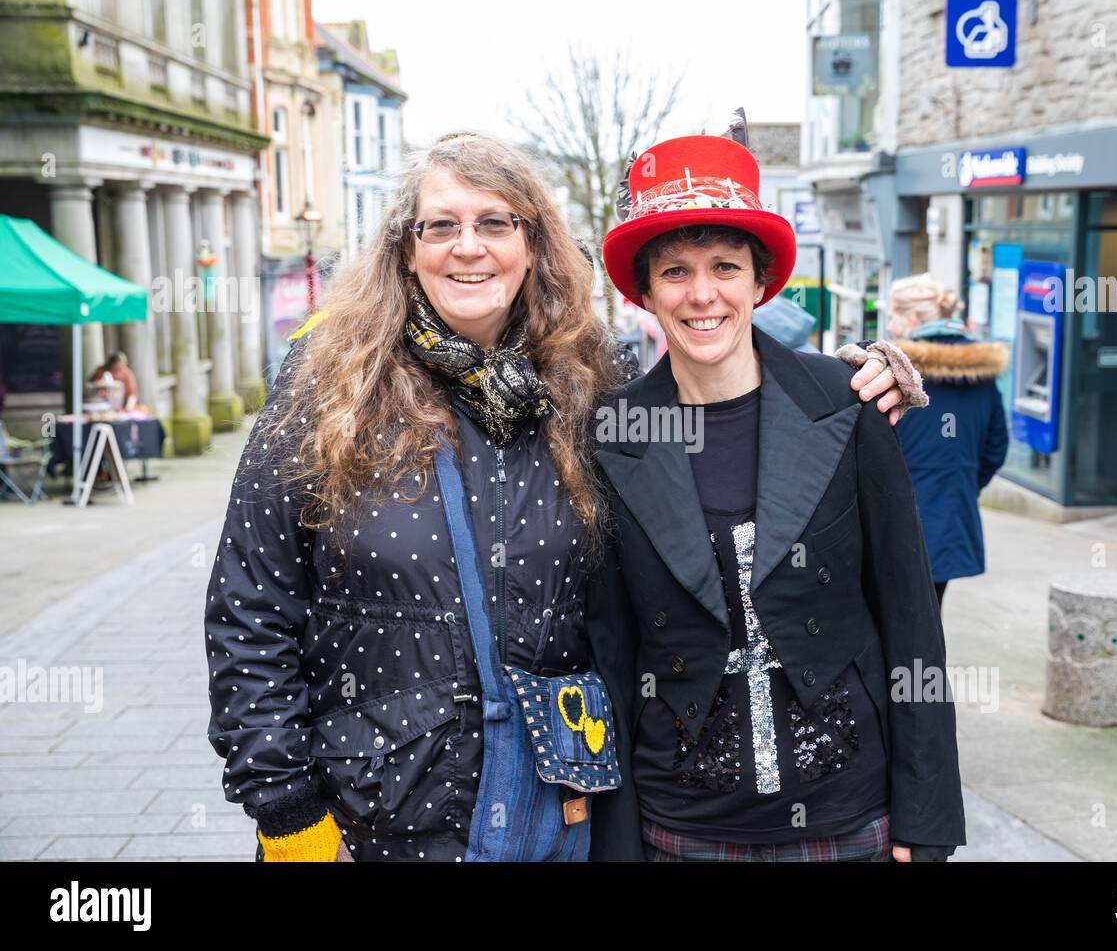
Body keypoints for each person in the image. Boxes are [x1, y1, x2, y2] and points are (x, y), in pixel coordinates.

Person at [202, 130, 922, 862]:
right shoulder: (327, 383)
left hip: (558, 815)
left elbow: (715, 407)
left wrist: (849, 382)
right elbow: (249, 604)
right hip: (375, 816)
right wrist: (287, 810)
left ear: (533, 243)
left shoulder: (589, 381)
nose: (468, 246)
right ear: (406, 249)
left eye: (494, 223)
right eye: (442, 226)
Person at [587, 135, 965, 862]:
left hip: (847, 813)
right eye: (675, 272)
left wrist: (928, 811)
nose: (703, 294)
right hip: (682, 824)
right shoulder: (612, 434)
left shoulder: (849, 404)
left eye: (725, 267)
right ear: (646, 292)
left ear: (759, 283)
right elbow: (612, 648)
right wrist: (617, 842)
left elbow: (911, 616)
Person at [878, 273, 1008, 611]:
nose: (890, 327)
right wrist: (961, 483)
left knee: (887, 626)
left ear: (912, 319)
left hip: (890, 523)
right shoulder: (981, 375)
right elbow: (996, 447)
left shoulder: (891, 373)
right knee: (930, 620)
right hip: (951, 518)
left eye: (893, 316)